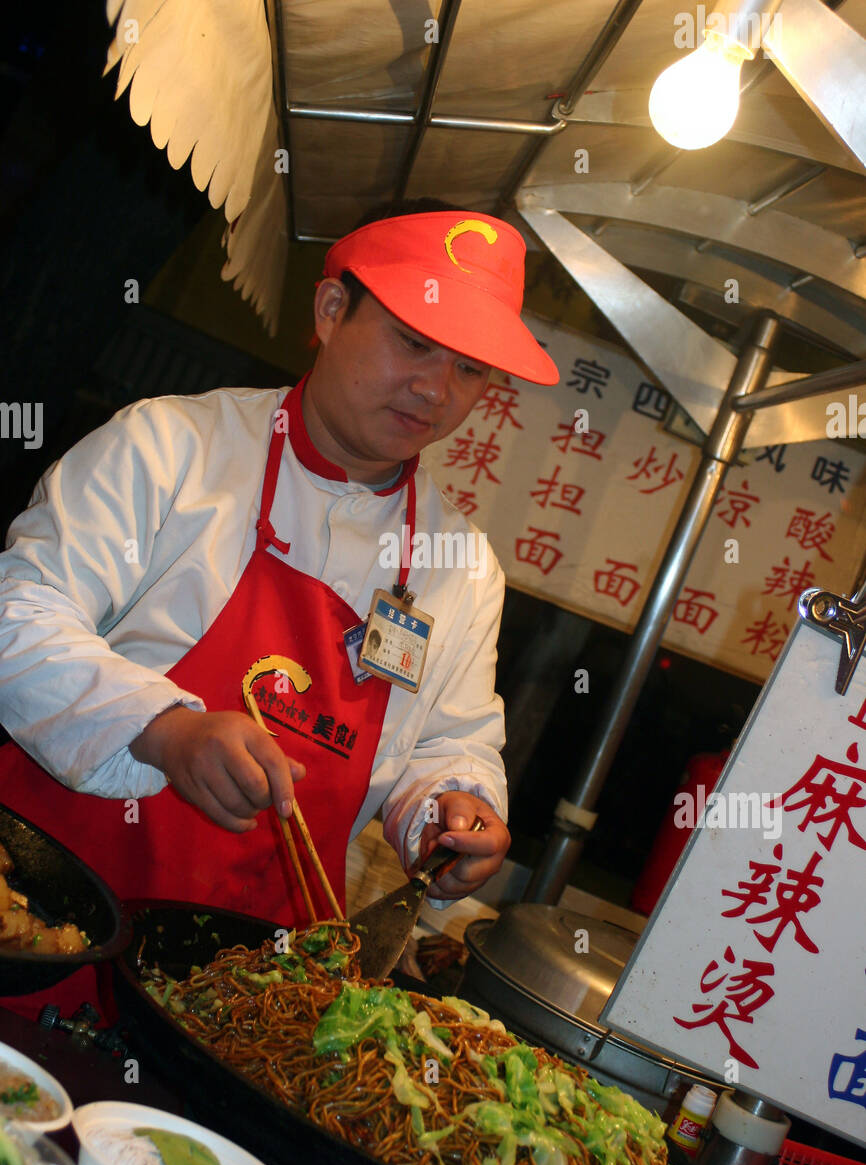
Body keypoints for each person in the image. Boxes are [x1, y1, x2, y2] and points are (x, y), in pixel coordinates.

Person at [0, 209, 558, 1011]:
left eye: (470, 370)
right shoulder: (171, 449)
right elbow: (18, 615)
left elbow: (450, 743)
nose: (437, 389)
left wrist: (450, 813)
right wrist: (166, 731)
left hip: (242, 992)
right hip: (46, 910)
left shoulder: (461, 569)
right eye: (413, 342)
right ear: (331, 313)